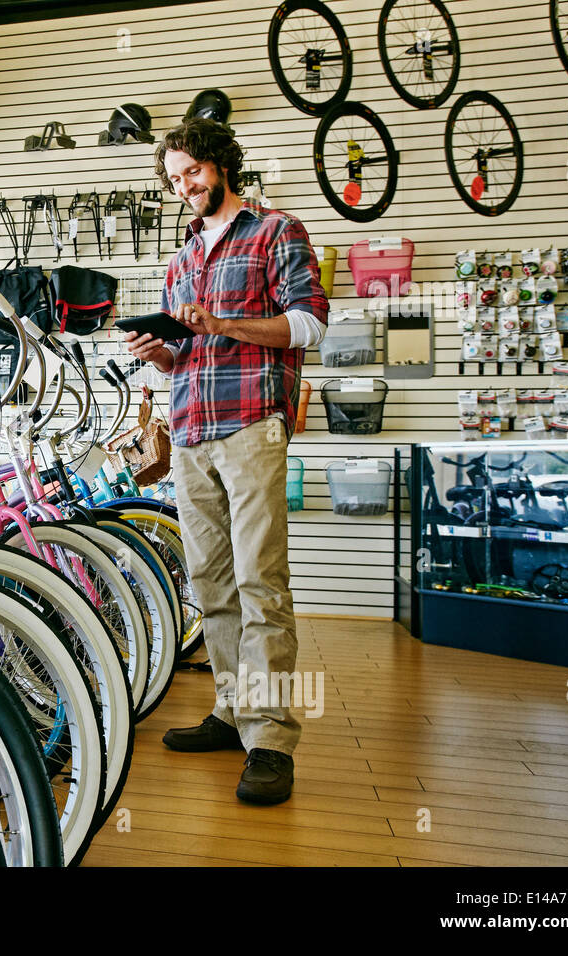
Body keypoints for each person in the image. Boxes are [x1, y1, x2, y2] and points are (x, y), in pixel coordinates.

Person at [124, 117, 328, 805]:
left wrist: (222, 325)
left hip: (251, 427)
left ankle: (270, 739)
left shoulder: (278, 232)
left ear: (221, 164)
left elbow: (310, 324)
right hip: (189, 433)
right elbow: (189, 354)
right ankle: (231, 710)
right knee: (209, 583)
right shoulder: (181, 260)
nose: (186, 187)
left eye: (193, 173)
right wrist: (164, 353)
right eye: (176, 179)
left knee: (260, 583)